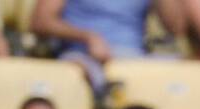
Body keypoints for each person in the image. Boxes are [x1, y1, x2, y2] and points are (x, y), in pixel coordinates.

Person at [30, 0, 186, 99]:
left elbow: (176, 27)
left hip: (133, 58)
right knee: (82, 73)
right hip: (81, 53)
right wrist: (87, 37)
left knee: (185, 74)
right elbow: (41, 21)